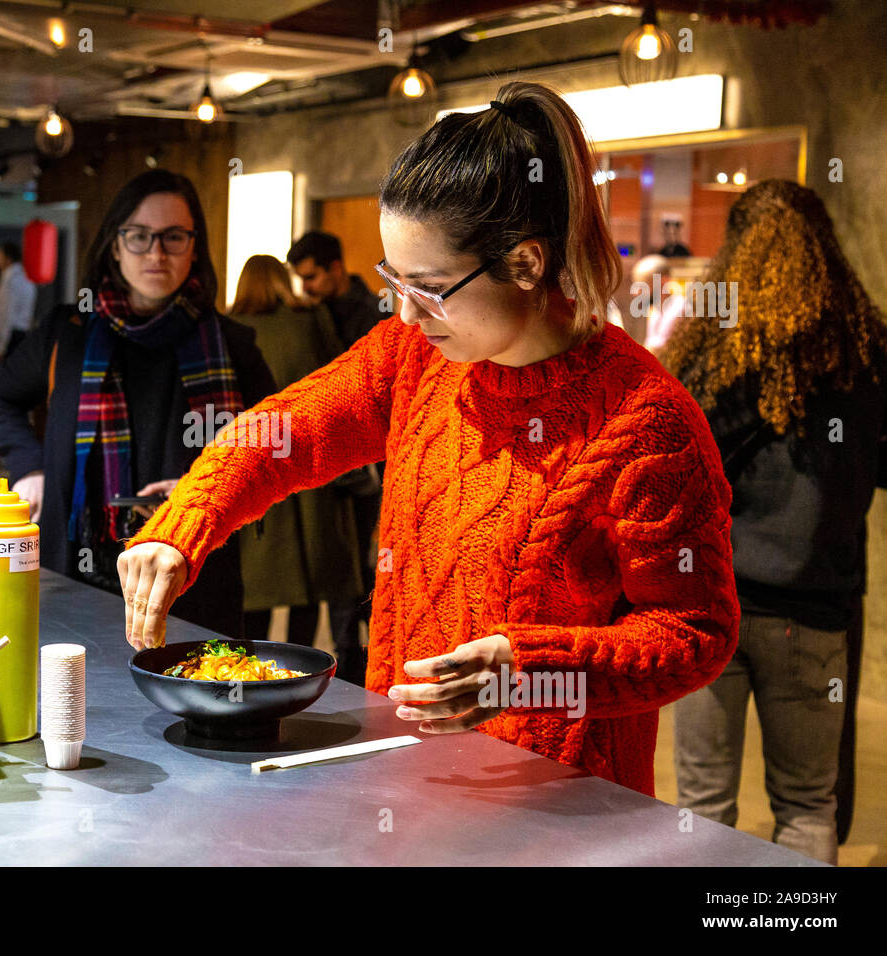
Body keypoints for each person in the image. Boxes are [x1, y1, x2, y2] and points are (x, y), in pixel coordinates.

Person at [117, 82, 740, 798]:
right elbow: (281, 432)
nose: (408, 314)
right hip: (400, 772)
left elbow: (693, 633)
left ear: (527, 264)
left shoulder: (646, 422)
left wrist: (535, 672)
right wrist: (186, 520)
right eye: (395, 282)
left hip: (557, 797)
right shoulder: (414, 357)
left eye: (430, 286)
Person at [658, 179, 887, 863]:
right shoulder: (866, 351)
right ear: (824, 249)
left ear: (734, 250)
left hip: (712, 609)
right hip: (813, 611)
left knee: (702, 804)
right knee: (807, 803)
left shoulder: (706, 352)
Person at [0, 169, 277, 640]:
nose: (156, 253)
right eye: (139, 236)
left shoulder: (232, 345)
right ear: (115, 245)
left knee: (191, 704)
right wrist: (30, 467)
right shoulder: (69, 333)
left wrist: (209, 492)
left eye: (173, 236)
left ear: (194, 245)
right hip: (76, 575)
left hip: (193, 584)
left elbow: (275, 448)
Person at [228, 254, 365, 677]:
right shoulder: (311, 318)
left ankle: (248, 671)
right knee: (308, 579)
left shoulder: (232, 328)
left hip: (255, 461)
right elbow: (337, 379)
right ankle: (302, 667)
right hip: (309, 460)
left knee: (258, 583)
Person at [287, 229, 386, 681]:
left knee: (359, 562)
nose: (304, 287)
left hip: (371, 461)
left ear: (336, 270)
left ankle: (355, 660)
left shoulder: (374, 316)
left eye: (311, 277)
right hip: (328, 457)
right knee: (333, 557)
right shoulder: (311, 314)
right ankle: (331, 659)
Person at [0, 240, 37, 360]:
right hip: (22, 334)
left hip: (11, 337)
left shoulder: (10, 278)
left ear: (8, 258)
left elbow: (6, 313)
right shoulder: (27, 276)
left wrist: (1, 348)